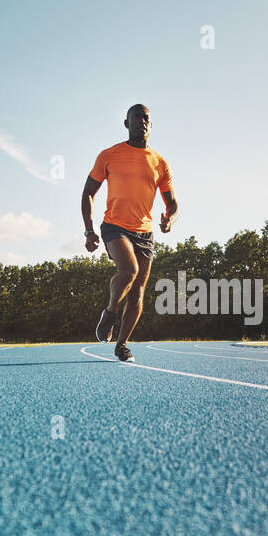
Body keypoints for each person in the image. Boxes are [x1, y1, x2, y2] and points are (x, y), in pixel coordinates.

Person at [82, 103, 179, 362]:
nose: (142, 121)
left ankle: (122, 344)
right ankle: (110, 312)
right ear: (126, 124)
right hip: (114, 225)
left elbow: (173, 204)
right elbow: (89, 192)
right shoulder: (109, 155)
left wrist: (169, 219)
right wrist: (89, 231)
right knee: (129, 270)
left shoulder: (160, 163)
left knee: (138, 291)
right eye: (136, 117)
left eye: (146, 118)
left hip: (145, 232)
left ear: (151, 124)